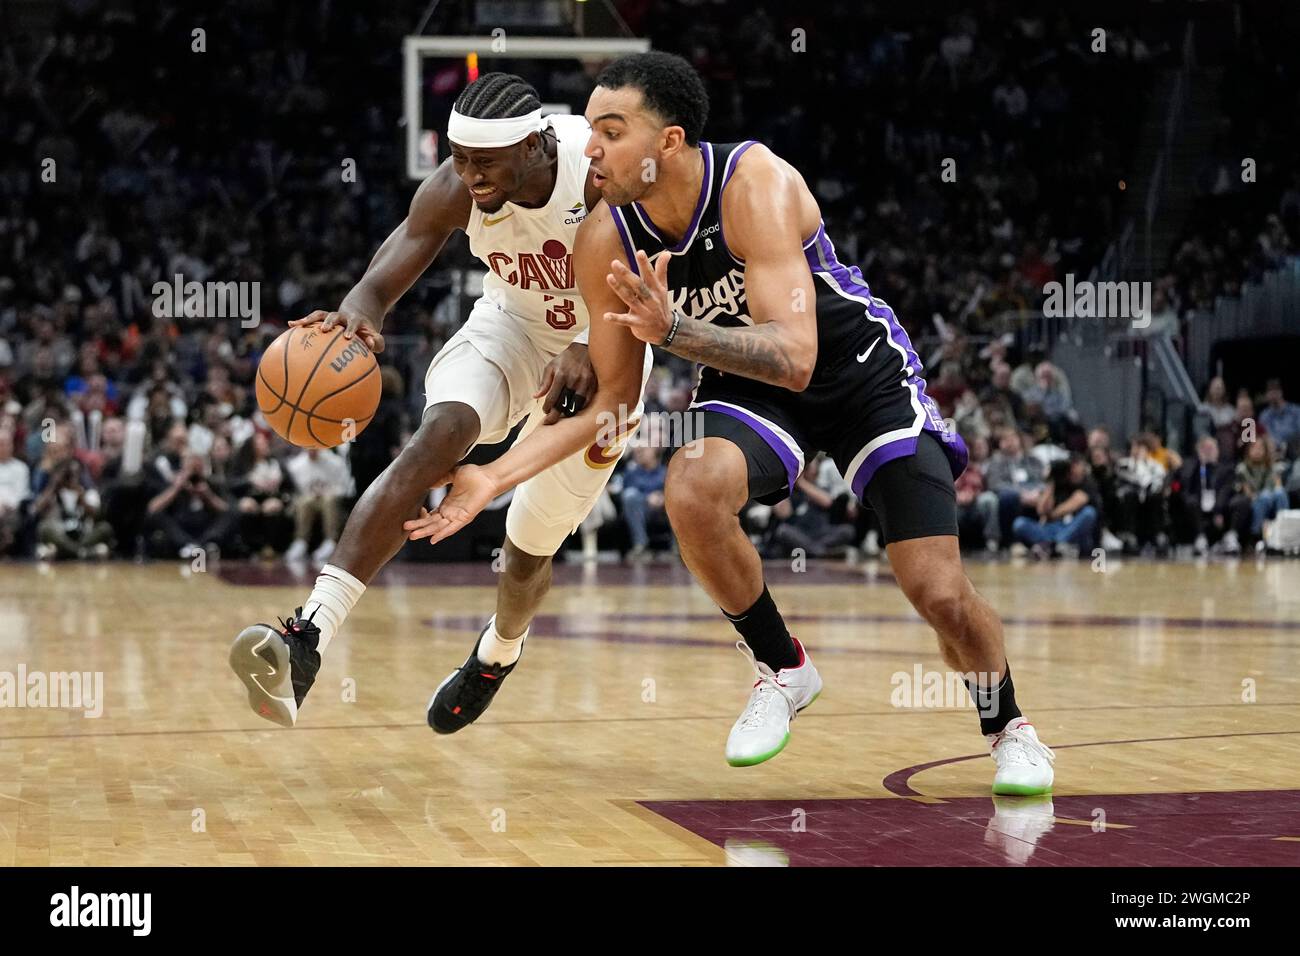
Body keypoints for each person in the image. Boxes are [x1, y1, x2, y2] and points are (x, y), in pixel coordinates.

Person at [408, 53, 1054, 794]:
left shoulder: (757, 183)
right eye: (589, 129)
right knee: (689, 485)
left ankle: (1009, 727)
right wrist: (492, 474)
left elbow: (799, 356)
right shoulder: (605, 237)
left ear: (669, 144)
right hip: (749, 384)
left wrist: (675, 330)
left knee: (938, 594)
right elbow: (613, 406)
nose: (589, 148)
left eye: (610, 132)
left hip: (857, 374)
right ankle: (782, 669)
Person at [228, 73, 649, 730]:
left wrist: (593, 339)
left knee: (526, 552)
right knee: (439, 434)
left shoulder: (598, 169)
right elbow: (407, 246)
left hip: (612, 346)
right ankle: (305, 640)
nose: (469, 175)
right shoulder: (461, 185)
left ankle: (497, 653)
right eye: (459, 158)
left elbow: (662, 260)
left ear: (536, 145)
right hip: (511, 325)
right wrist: (359, 309)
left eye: (485, 161)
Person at [1011, 456, 1099, 557]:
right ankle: (1054, 546)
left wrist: (1052, 515)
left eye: (1077, 466)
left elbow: (1074, 503)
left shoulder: (1087, 482)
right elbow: (1042, 510)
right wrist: (1050, 481)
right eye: (1072, 467)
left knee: (1089, 512)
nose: (1074, 471)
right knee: (1020, 523)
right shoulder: (1057, 482)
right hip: (1052, 529)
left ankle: (1054, 545)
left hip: (1072, 528)